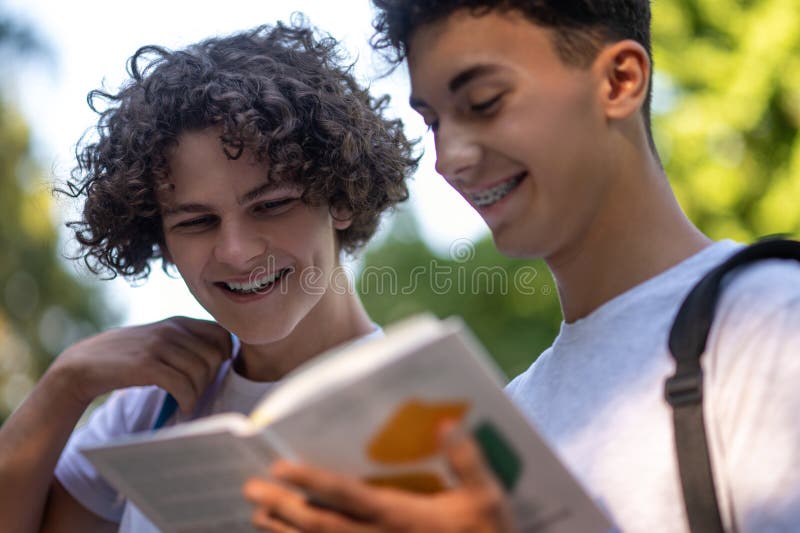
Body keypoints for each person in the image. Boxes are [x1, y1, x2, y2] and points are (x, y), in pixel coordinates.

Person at [242, 2, 800, 532]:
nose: (449, 158)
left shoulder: (770, 324)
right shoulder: (514, 411)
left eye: (484, 103)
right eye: (434, 121)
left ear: (619, 81)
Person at [0, 18, 417, 533]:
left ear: (340, 197)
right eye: (196, 221)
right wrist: (67, 384)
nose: (237, 252)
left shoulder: (425, 405)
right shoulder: (153, 407)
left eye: (272, 205)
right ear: (161, 241)